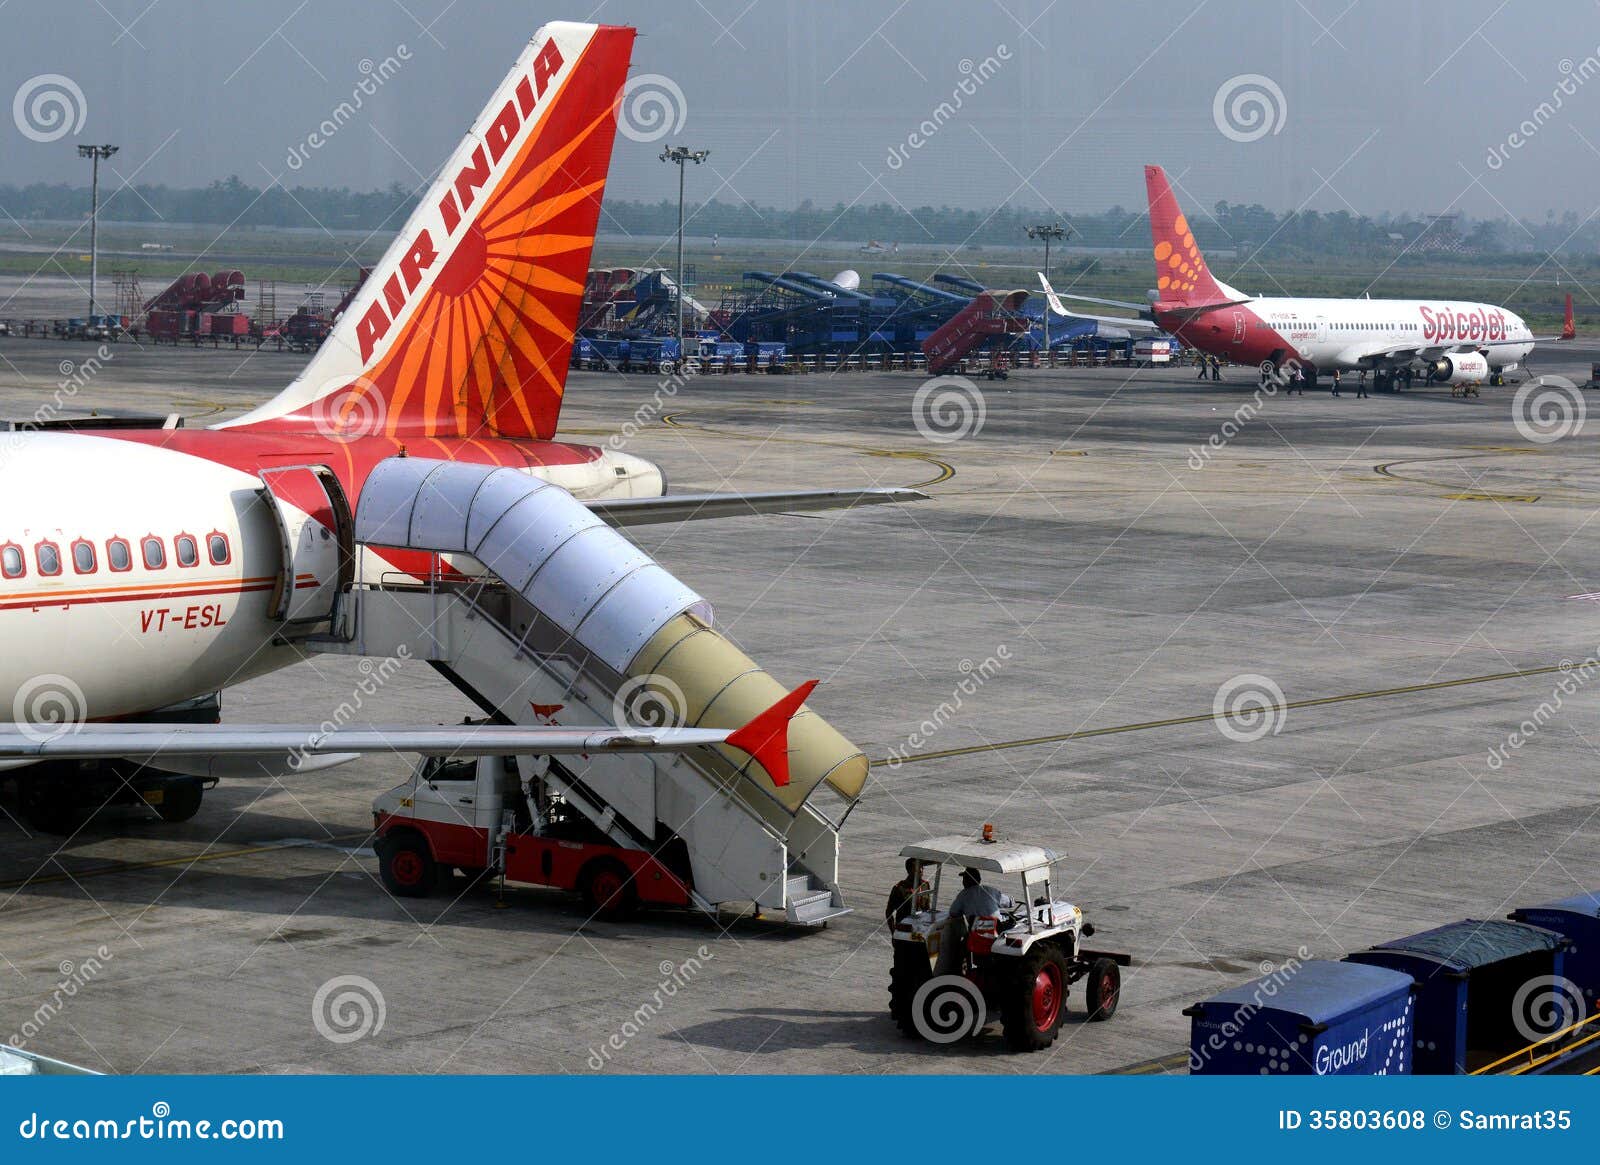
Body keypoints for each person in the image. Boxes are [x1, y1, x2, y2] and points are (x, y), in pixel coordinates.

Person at [884, 859, 930, 929]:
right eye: (917, 868)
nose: (921, 871)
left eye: (922, 868)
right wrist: (894, 933)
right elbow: (889, 912)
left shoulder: (925, 885)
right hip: (904, 931)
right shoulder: (899, 888)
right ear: (909, 870)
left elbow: (927, 908)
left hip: (920, 930)